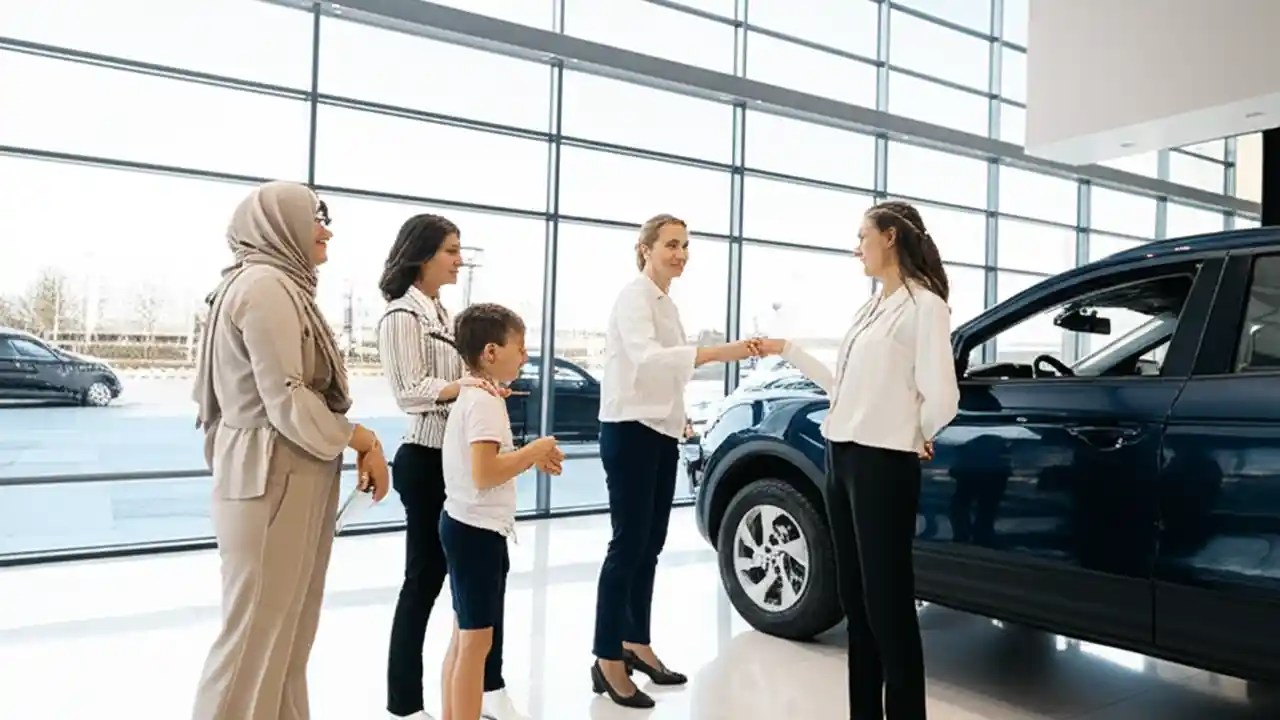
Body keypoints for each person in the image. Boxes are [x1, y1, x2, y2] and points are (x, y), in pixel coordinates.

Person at [190, 181, 391, 720]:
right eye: (315, 219)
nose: (326, 231)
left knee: (283, 638)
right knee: (256, 639)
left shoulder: (273, 285)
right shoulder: (265, 287)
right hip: (273, 473)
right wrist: (362, 438)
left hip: (282, 469)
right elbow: (287, 397)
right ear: (280, 226)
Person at [754, 200, 960, 720]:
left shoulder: (925, 307)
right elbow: (843, 387)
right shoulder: (871, 308)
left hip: (884, 463)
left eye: (862, 237)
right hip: (840, 456)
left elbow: (943, 396)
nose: (856, 248)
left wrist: (918, 432)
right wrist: (789, 350)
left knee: (888, 606)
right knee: (856, 602)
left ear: (889, 237)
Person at [590, 213, 762, 708]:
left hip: (660, 432)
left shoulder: (666, 302)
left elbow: (667, 373)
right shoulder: (634, 297)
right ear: (645, 248)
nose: (680, 253)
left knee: (650, 546)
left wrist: (680, 416)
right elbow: (647, 358)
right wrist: (716, 353)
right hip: (629, 432)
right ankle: (607, 657)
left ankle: (635, 643)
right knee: (627, 546)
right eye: (670, 244)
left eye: (685, 245)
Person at [376, 215, 526, 720]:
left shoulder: (442, 313)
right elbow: (407, 392)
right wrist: (462, 388)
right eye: (451, 251)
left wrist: (482, 390)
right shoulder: (402, 316)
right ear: (423, 255)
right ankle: (405, 704)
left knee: (471, 592)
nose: (459, 259)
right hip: (425, 461)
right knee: (424, 581)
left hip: (456, 463)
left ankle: (476, 695)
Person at [438, 303, 564, 720]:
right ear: (491, 353)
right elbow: (484, 472)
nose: (526, 356)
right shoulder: (484, 404)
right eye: (521, 347)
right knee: (475, 644)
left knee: (463, 640)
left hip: (464, 524)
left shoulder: (478, 395)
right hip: (476, 532)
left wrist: (528, 455)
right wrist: (534, 451)